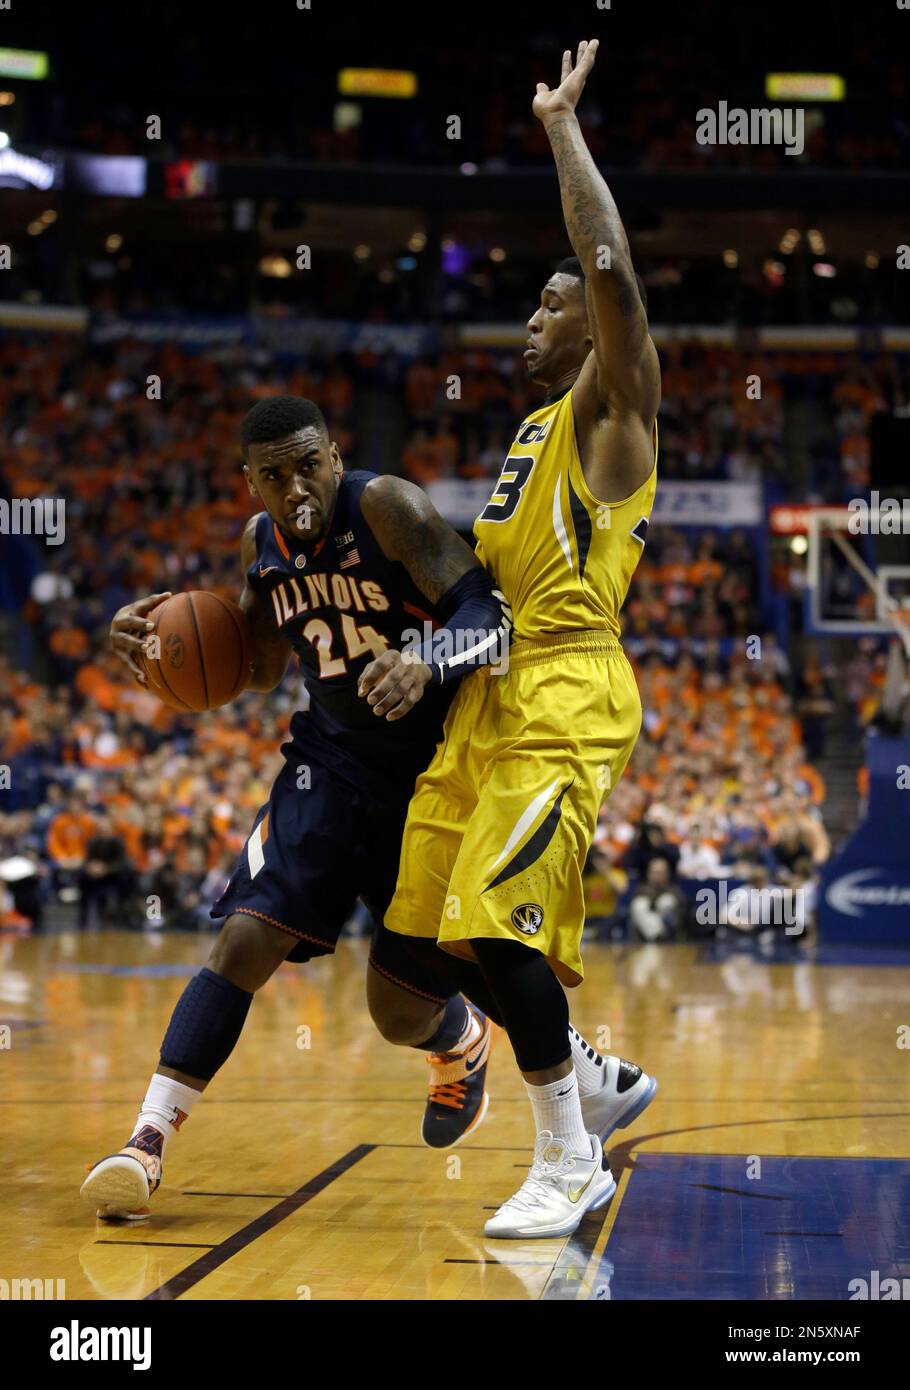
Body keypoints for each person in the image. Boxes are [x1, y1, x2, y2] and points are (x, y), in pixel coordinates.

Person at [82, 393, 654, 1221]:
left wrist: (425, 659)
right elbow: (256, 667)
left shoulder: (387, 507)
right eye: (274, 476)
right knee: (247, 934)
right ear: (252, 486)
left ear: (336, 457)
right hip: (332, 765)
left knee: (413, 993)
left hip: (434, 767)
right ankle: (145, 1143)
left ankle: (507, 1052)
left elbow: (485, 610)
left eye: (309, 464)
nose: (296, 487)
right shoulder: (262, 546)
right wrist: (162, 653)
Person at [386, 39, 661, 1239]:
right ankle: (585, 1071)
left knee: (496, 916)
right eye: (537, 302)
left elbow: (612, 272)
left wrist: (559, 129)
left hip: (565, 696)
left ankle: (568, 1154)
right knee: (419, 943)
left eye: (552, 303)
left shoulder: (611, 413)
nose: (534, 316)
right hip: (488, 703)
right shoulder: (522, 444)